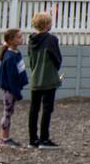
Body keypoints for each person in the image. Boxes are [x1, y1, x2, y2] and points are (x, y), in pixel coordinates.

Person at [26, 11, 63, 149]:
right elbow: (57, 58)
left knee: (34, 109)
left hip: (35, 78)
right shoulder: (51, 40)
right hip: (48, 78)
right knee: (47, 108)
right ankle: (44, 139)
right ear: (47, 24)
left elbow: (30, 59)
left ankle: (32, 139)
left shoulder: (31, 40)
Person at [0, 27, 28, 148]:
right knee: (7, 112)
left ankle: (5, 137)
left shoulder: (15, 53)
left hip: (13, 88)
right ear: (11, 40)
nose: (21, 39)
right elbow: (12, 77)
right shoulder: (10, 57)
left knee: (9, 111)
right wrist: (16, 92)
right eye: (18, 37)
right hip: (10, 89)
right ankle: (3, 138)